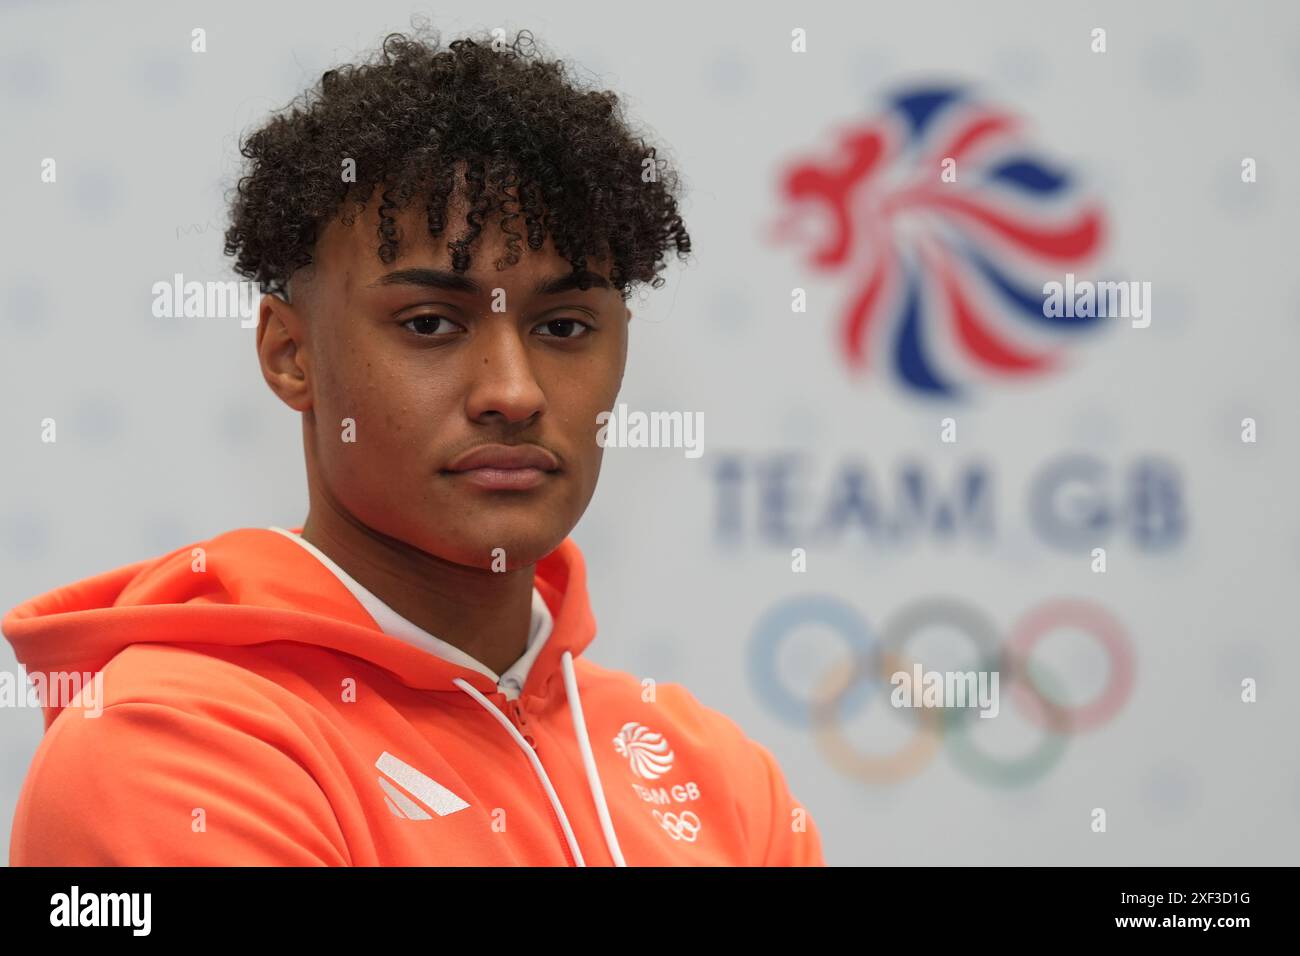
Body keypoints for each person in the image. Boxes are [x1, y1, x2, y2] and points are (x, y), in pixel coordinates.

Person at [3, 27, 824, 866]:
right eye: (430, 323)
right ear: (291, 356)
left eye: (564, 326)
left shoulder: (717, 775)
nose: (514, 391)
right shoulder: (169, 745)